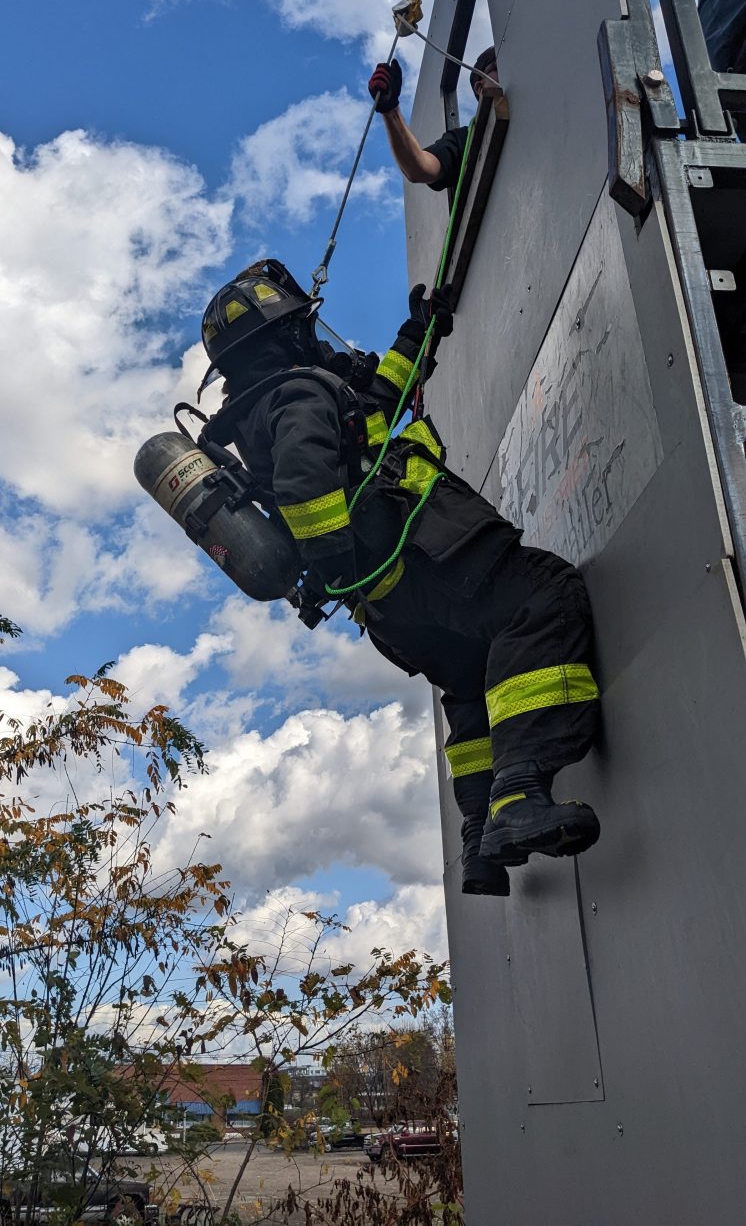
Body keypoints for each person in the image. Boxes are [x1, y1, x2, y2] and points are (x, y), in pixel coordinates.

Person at [199, 259, 602, 898]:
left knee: (473, 678)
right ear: (284, 335)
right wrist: (340, 553)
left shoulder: (274, 402)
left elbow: (378, 403)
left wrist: (419, 333)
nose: (315, 335)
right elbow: (307, 481)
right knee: (542, 601)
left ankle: (481, 840)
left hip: (387, 607)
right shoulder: (297, 392)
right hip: (421, 558)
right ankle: (519, 794)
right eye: (303, 326)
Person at [367, 46, 501, 192]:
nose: (505, 68)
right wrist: (390, 109)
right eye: (496, 66)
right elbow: (419, 168)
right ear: (480, 88)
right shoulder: (465, 139)